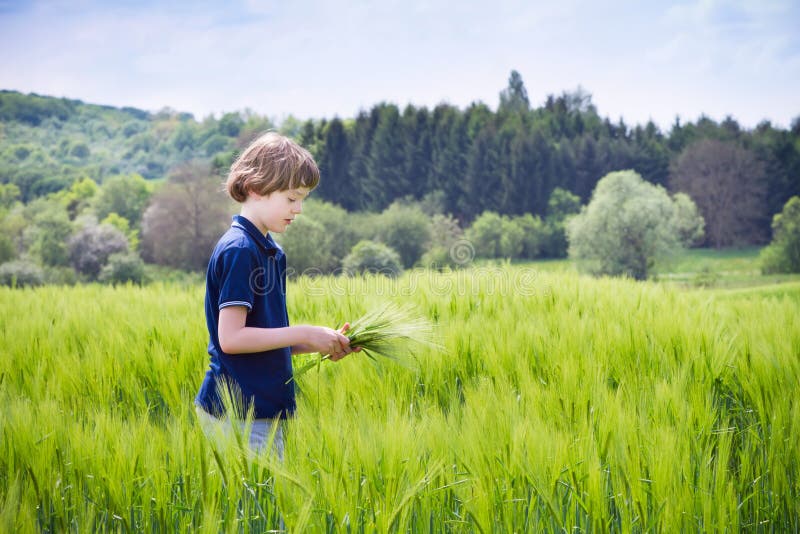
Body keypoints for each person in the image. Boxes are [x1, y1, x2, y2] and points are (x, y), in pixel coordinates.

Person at [194, 131, 356, 457]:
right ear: (256, 188)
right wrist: (304, 331)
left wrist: (318, 342)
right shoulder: (240, 250)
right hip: (237, 413)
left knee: (263, 506)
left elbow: (265, 338)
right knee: (254, 508)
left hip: (262, 411)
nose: (298, 210)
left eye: (302, 200)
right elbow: (232, 339)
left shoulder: (269, 251)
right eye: (291, 198)